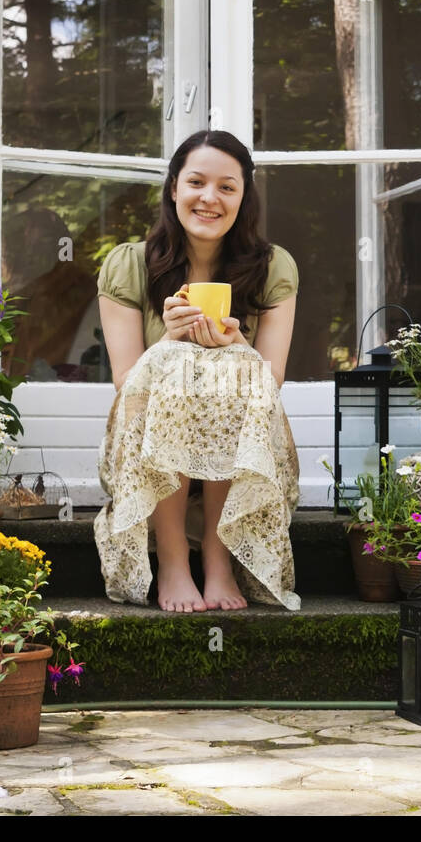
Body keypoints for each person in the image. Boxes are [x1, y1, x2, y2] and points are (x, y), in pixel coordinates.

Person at [94, 129, 300, 613]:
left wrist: (237, 343)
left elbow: (269, 381)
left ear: (243, 197)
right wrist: (168, 339)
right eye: (196, 183)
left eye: (227, 187)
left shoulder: (273, 267)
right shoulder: (130, 265)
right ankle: (171, 560)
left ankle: (218, 556)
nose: (210, 198)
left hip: (241, 433)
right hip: (147, 434)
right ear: (173, 188)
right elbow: (127, 381)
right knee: (176, 371)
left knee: (229, 375)